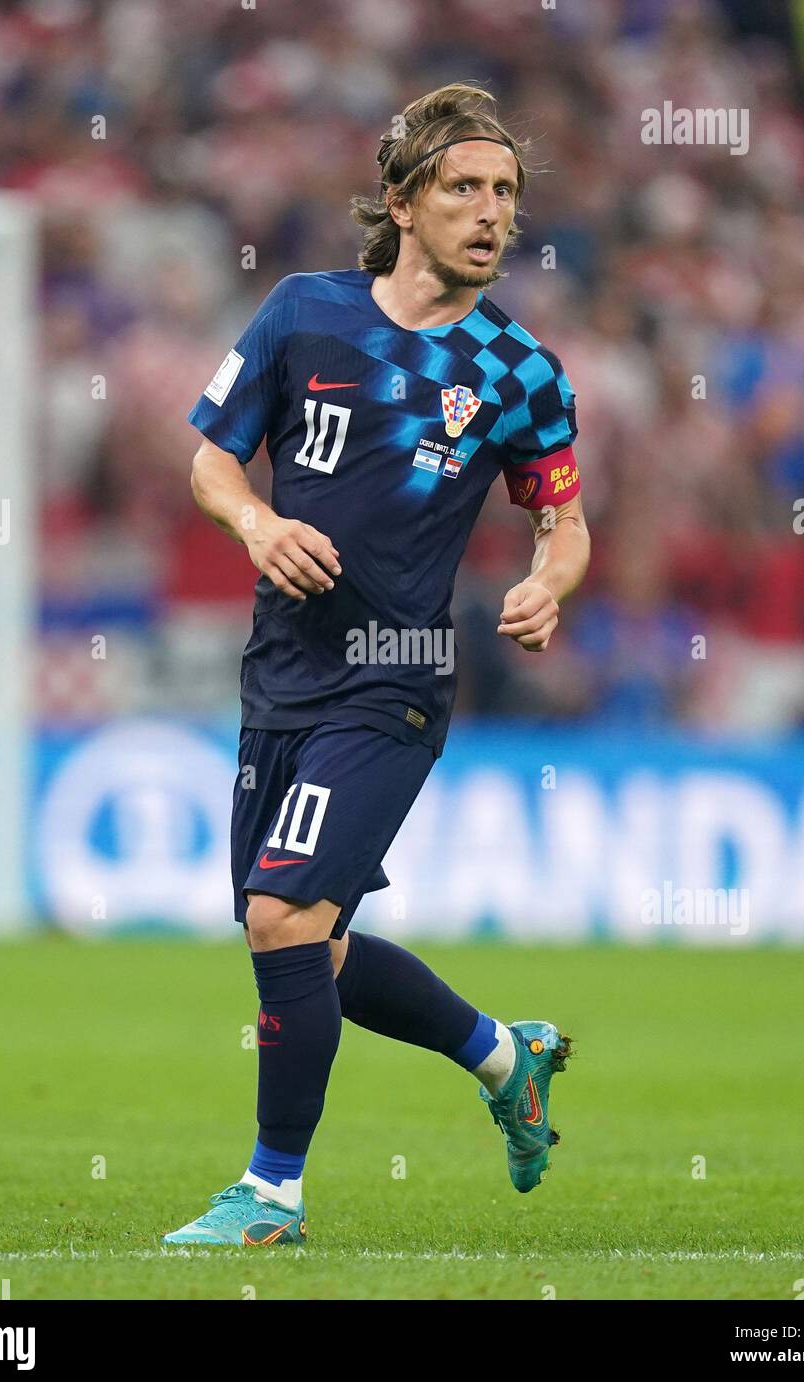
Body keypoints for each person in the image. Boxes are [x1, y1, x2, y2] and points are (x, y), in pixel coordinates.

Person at [164, 83, 590, 1247]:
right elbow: (210, 461)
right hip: (278, 674)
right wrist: (258, 526)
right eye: (463, 187)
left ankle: (270, 1197)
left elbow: (566, 523)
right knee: (312, 942)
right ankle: (508, 1058)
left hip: (393, 680)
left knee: (281, 914)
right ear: (402, 201)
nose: (489, 211)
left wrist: (546, 584)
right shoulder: (304, 312)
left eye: (504, 191)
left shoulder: (519, 371)